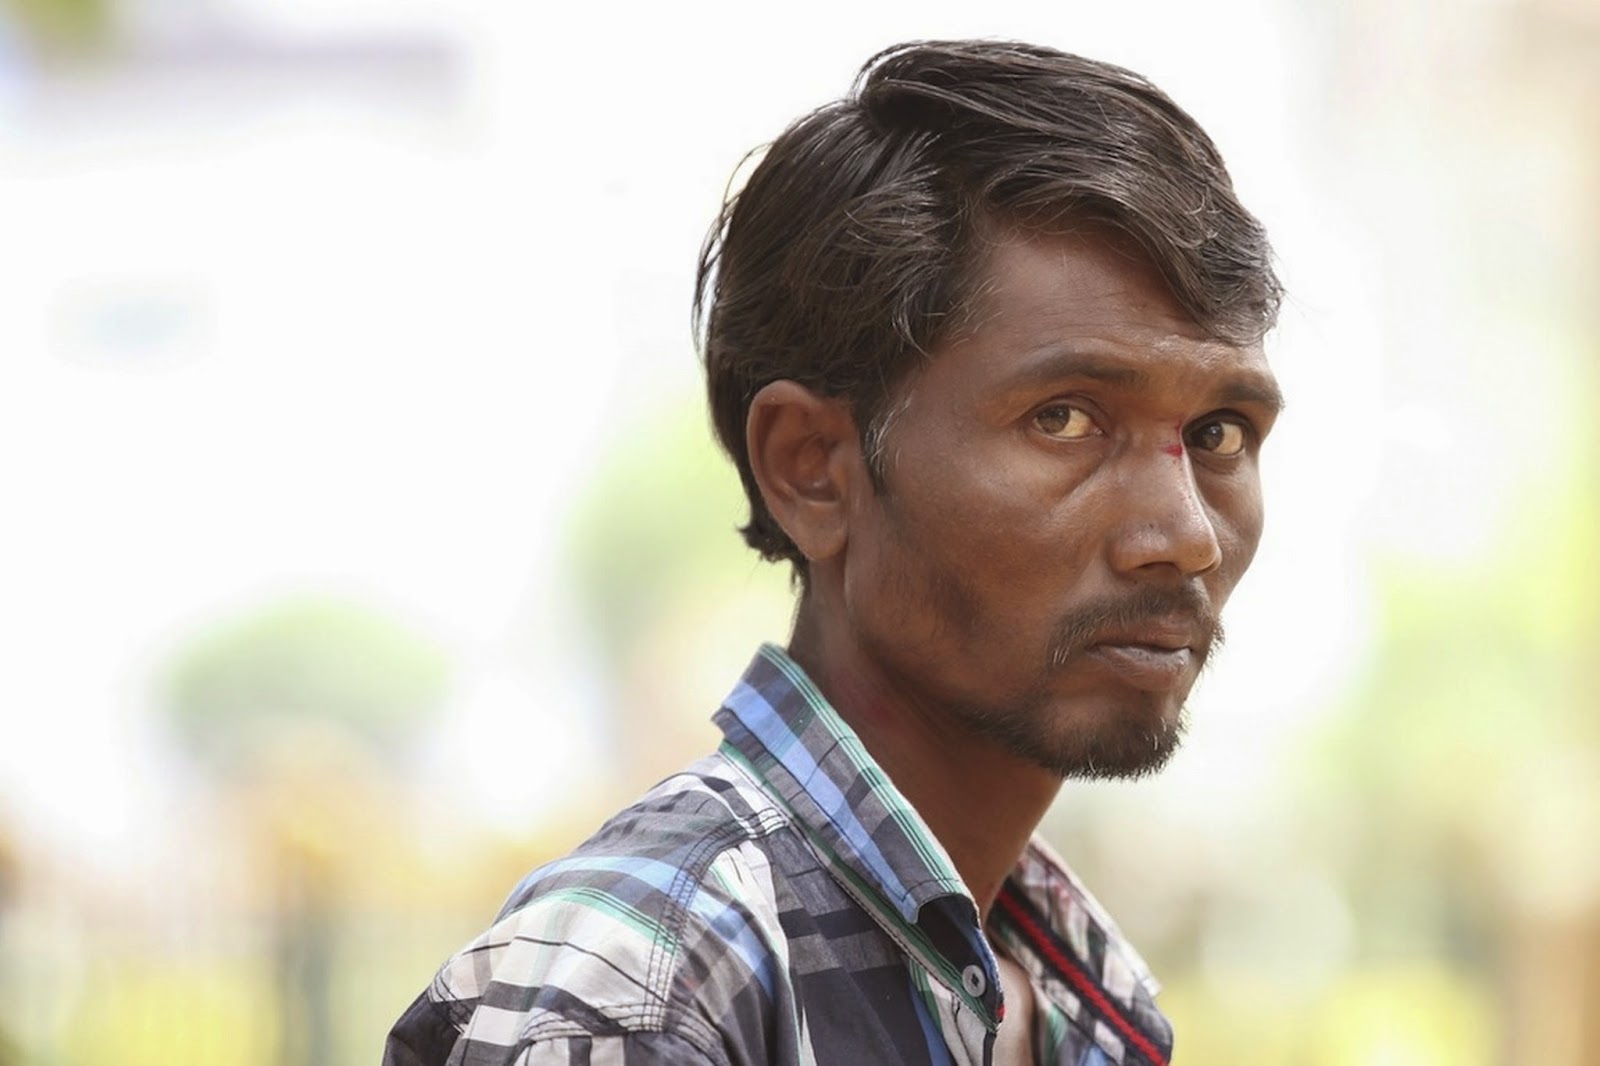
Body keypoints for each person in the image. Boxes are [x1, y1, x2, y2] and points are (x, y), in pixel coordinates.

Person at [385, 38, 1282, 1066]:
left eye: (1219, 433)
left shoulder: (1088, 996)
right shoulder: (640, 985)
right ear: (812, 467)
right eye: (1066, 418)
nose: (1182, 534)